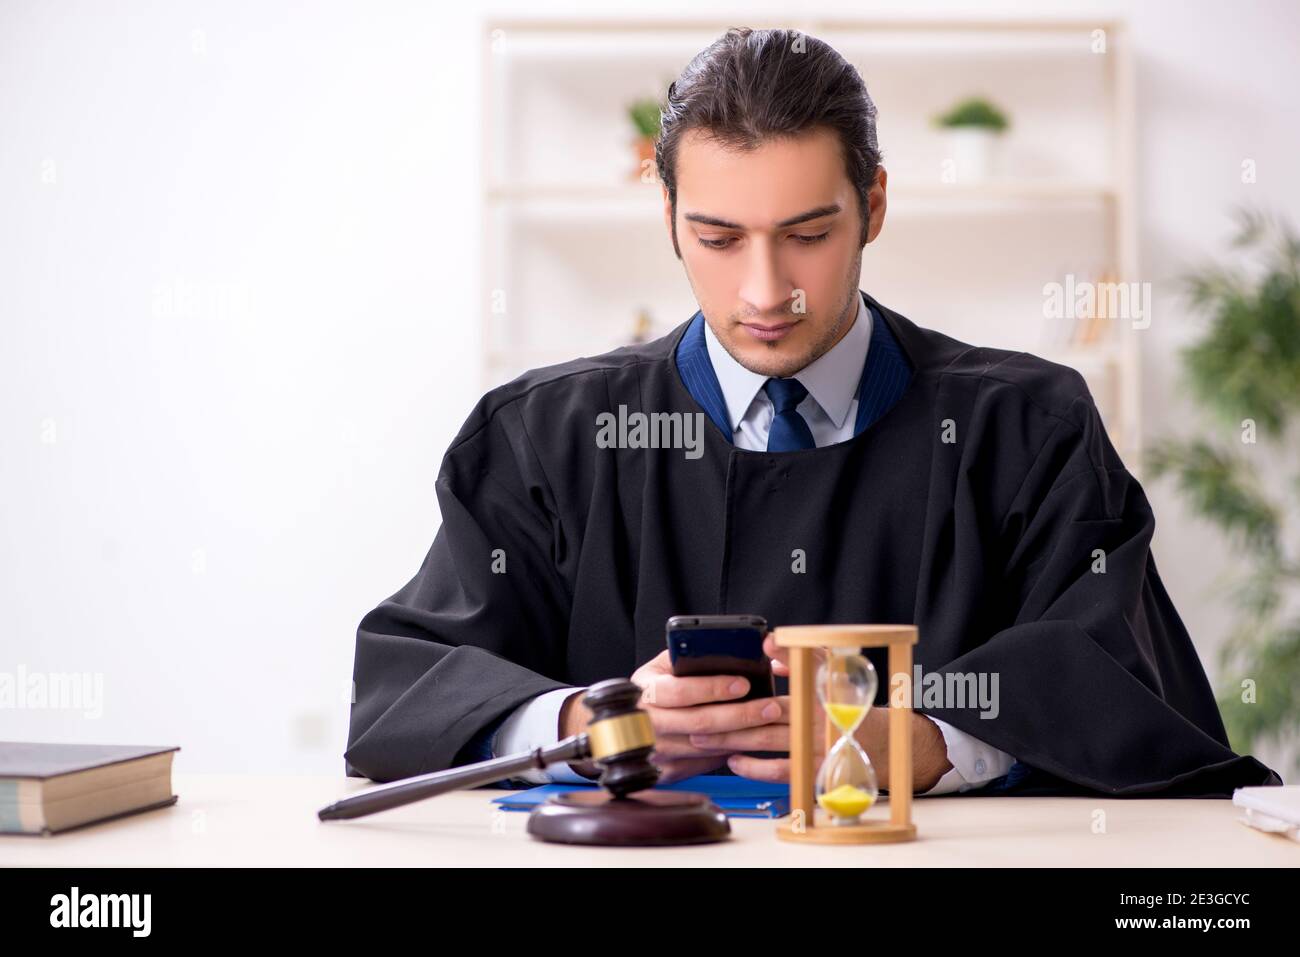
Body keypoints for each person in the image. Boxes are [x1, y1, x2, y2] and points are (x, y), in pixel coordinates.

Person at [344, 27, 1282, 798]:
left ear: (872, 206)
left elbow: (1123, 674)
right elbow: (407, 686)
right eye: (718, 237)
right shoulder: (540, 439)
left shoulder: (1029, 430)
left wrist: (933, 739)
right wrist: (587, 721)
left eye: (808, 235)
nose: (765, 291)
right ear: (667, 213)